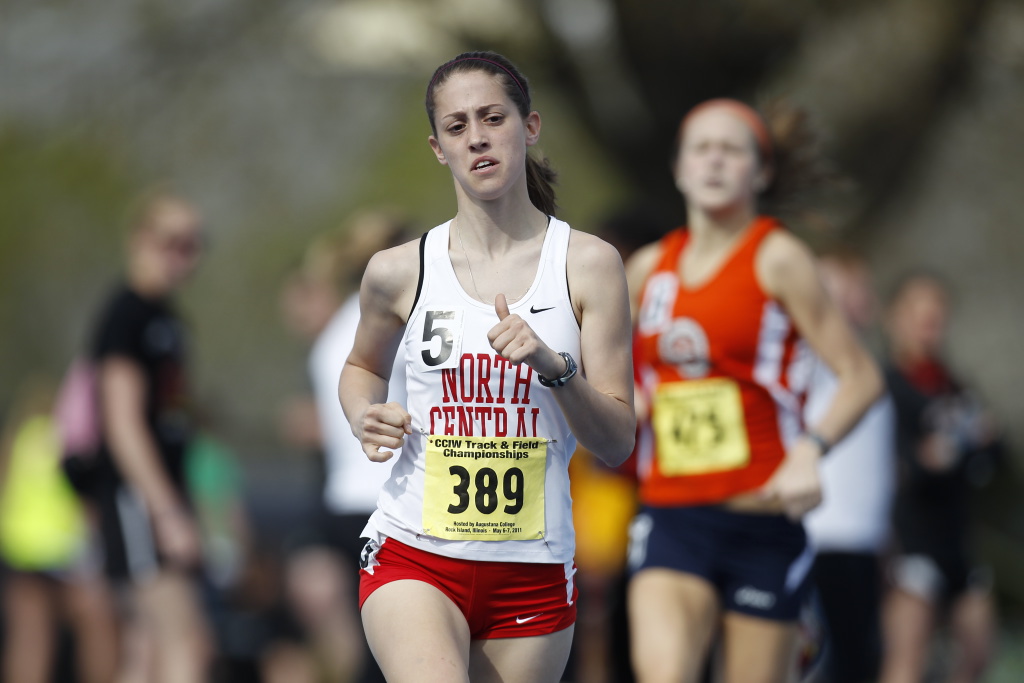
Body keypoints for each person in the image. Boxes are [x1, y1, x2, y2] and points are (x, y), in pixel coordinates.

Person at [339, 51, 635, 683]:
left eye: (492, 117)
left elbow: (615, 440)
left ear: (529, 127)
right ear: (439, 148)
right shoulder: (398, 270)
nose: (476, 136)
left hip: (532, 568)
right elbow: (361, 367)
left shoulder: (589, 265)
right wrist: (365, 415)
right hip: (414, 553)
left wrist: (555, 368)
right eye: (456, 126)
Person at [624, 98, 884, 683]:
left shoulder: (779, 258)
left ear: (760, 173)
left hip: (761, 520)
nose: (714, 161)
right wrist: (623, 406)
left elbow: (861, 377)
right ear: (679, 168)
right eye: (701, 148)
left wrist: (810, 451)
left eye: (731, 149)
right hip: (672, 514)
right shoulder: (645, 271)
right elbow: (611, 376)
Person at [88, 190, 212, 682]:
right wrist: (165, 511)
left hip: (160, 494)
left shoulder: (166, 317)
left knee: (145, 654)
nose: (185, 255)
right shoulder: (127, 315)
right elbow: (121, 423)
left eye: (194, 243)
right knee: (186, 641)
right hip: (137, 498)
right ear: (139, 240)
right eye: (172, 242)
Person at [878, 272, 999, 683]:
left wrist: (984, 442)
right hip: (908, 541)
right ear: (895, 318)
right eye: (919, 311)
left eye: (936, 313)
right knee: (907, 659)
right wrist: (920, 460)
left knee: (978, 649)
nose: (929, 321)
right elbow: (895, 466)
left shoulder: (954, 386)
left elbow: (994, 454)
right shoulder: (885, 385)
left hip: (956, 542)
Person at [802, 250, 896, 683]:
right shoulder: (811, 363)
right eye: (839, 291)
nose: (852, 301)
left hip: (864, 541)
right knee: (822, 661)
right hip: (820, 537)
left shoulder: (871, 368)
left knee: (860, 659)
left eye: (860, 290)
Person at [0, 376, 118, 683]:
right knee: (96, 624)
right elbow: (86, 501)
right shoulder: (73, 439)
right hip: (65, 553)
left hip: (21, 552)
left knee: (31, 637)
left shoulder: (15, 440)